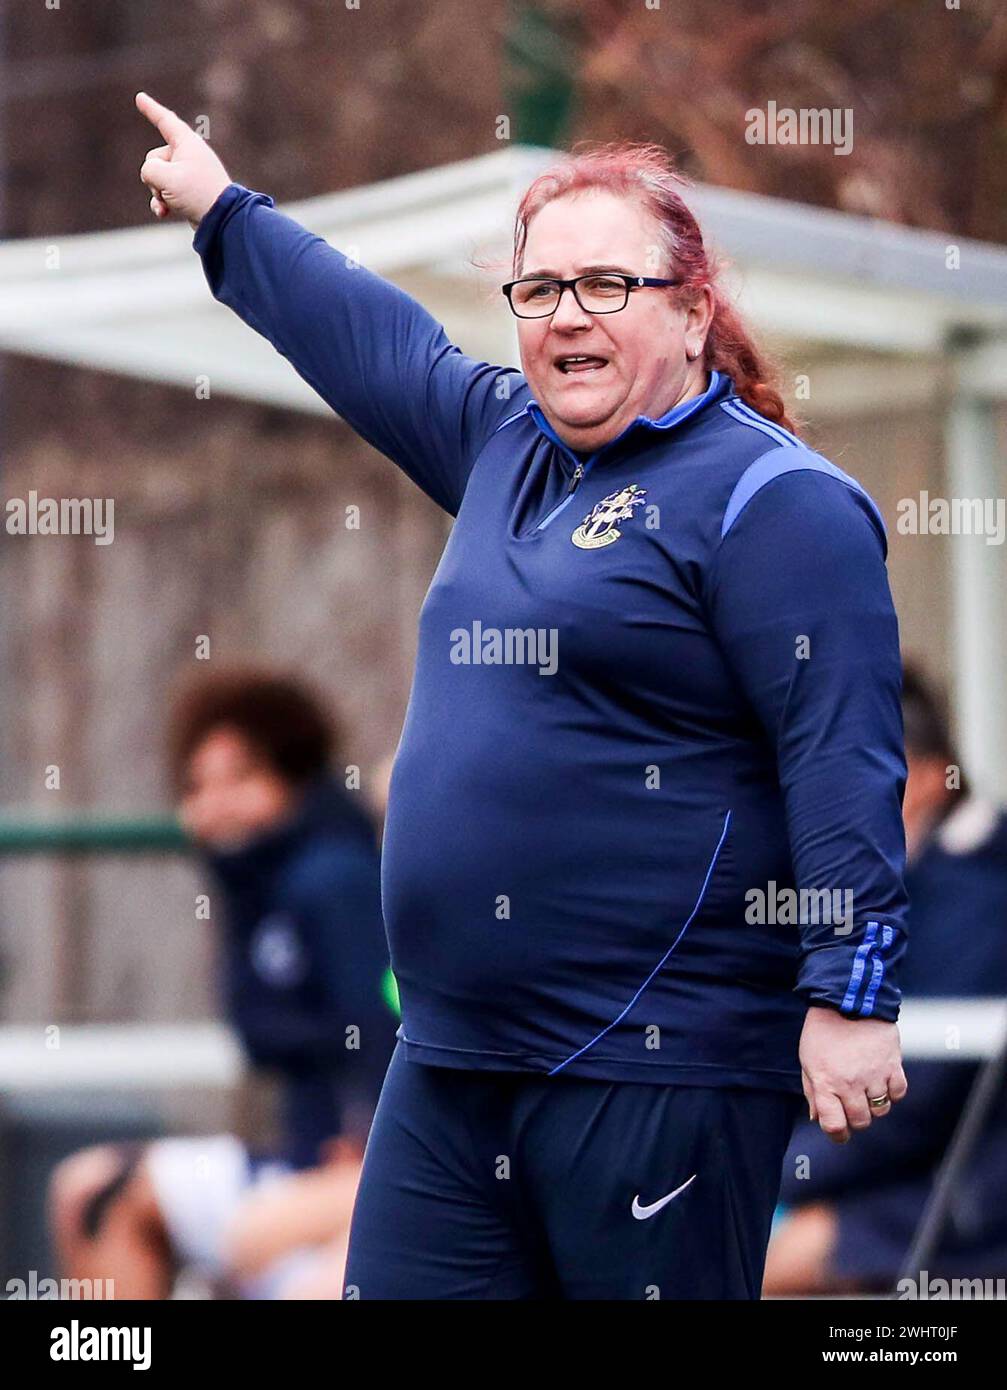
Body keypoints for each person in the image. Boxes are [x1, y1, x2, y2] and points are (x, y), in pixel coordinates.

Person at [133, 94, 910, 1301]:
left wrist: (848, 992)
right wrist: (226, 212)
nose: (564, 317)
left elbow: (839, 753)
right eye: (537, 290)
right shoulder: (507, 443)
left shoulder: (772, 501)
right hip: (449, 1065)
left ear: (693, 310)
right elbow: (370, 337)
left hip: (655, 1070)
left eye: (605, 286)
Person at [49, 668, 396, 1298]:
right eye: (197, 785)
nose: (214, 805)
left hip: (375, 1176)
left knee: (264, 1261)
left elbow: (387, 1027)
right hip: (295, 1161)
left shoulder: (335, 880)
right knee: (92, 1191)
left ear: (291, 777)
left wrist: (357, 1159)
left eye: (238, 778)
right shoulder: (258, 891)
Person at [765, 663, 1007, 1294]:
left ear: (926, 778)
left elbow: (910, 1104)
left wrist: (770, 1170)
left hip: (971, 1198)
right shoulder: (903, 876)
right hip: (917, 1175)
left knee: (751, 1262)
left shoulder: (977, 896)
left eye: (850, 777)